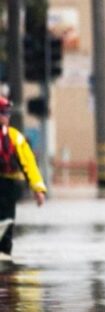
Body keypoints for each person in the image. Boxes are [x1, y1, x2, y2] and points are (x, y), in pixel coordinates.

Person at [0, 97, 47, 260]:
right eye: (3, 113)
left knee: (7, 223)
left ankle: (4, 253)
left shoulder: (14, 138)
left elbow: (29, 165)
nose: (6, 117)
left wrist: (38, 189)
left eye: (7, 113)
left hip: (8, 187)